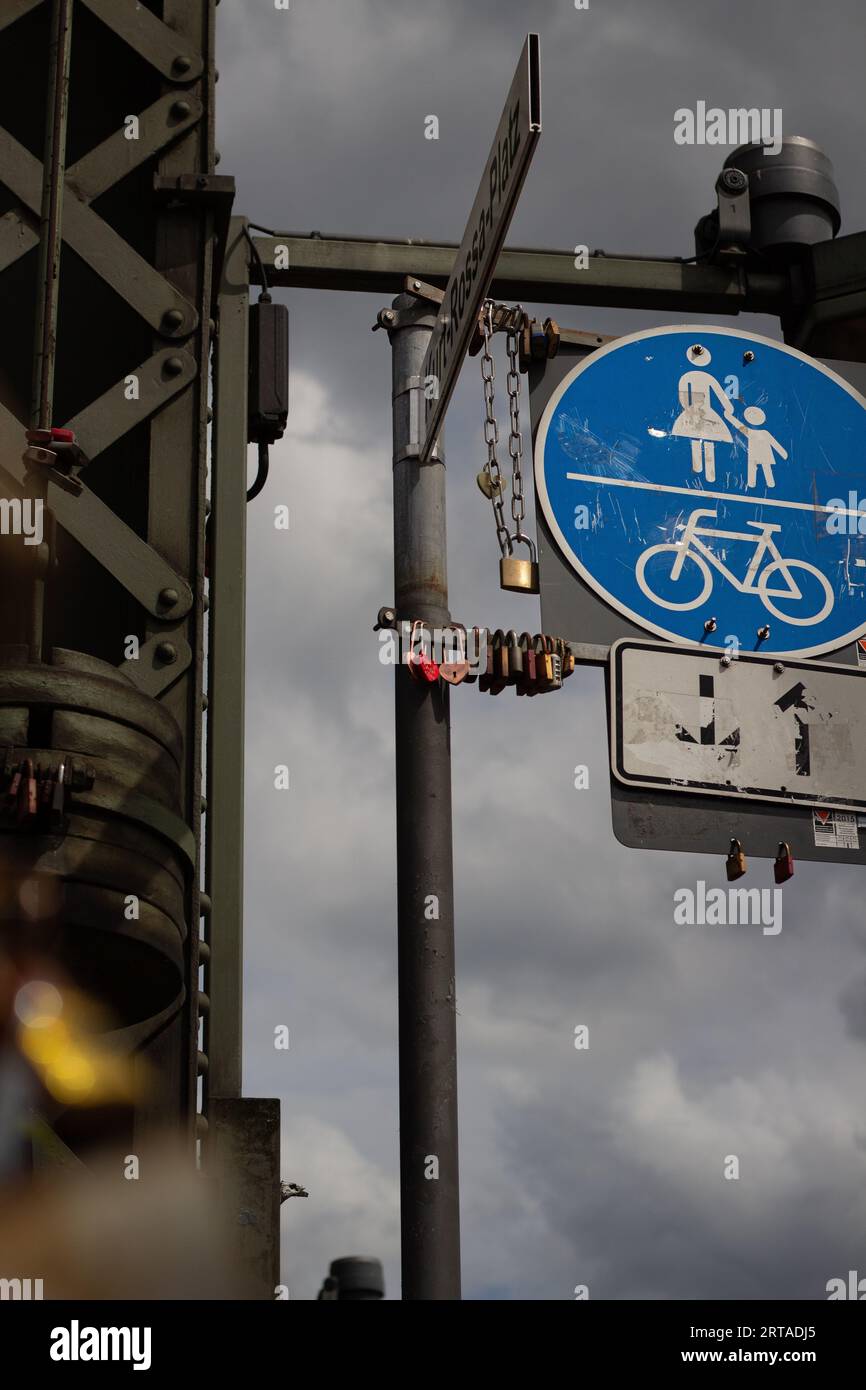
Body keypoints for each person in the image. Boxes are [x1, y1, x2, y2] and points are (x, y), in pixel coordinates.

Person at [671, 348, 735, 483]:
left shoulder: (705, 377)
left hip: (706, 411)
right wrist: (689, 410)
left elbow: (719, 392)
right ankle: (697, 469)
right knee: (694, 439)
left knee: (710, 440)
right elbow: (682, 394)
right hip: (693, 411)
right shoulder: (687, 377)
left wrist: (727, 406)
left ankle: (710, 474)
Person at [730, 405, 788, 488]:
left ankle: (769, 483)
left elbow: (774, 443)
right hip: (755, 454)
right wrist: (729, 417)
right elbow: (739, 425)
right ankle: (752, 484)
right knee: (754, 468)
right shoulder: (751, 432)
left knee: (765, 468)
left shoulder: (763, 433)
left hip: (764, 454)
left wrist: (783, 453)